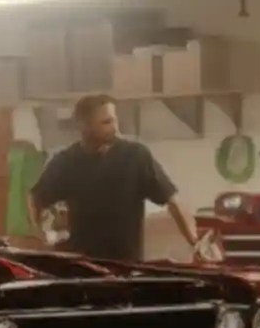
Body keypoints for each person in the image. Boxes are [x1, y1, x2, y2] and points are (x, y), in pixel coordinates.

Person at [26, 94, 200, 262]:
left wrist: (196, 243)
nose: (115, 128)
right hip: (84, 267)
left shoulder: (136, 156)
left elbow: (174, 201)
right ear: (84, 126)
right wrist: (41, 238)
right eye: (106, 122)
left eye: (114, 120)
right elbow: (35, 199)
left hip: (126, 266)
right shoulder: (66, 162)